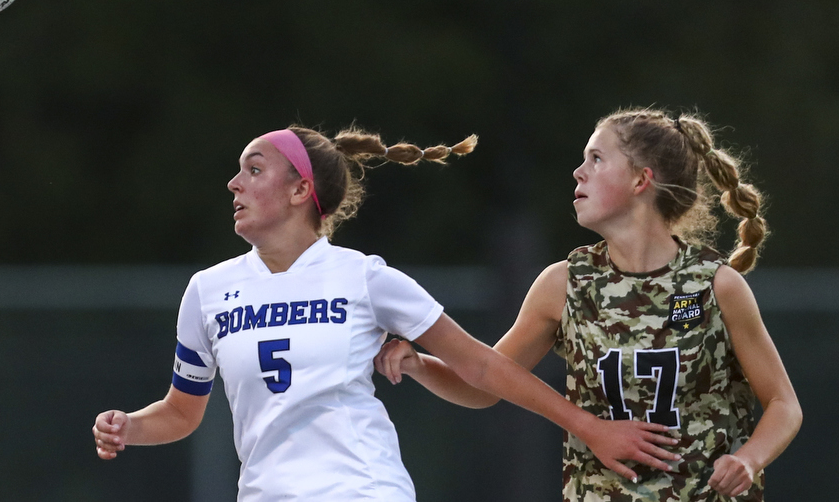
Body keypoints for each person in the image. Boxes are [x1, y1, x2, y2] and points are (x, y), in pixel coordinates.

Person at [92, 124, 677, 502]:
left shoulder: (363, 277)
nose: (232, 183)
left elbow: (480, 367)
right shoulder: (208, 291)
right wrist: (132, 427)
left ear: (301, 192)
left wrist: (590, 428)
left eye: (253, 169)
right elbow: (182, 412)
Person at [374, 108, 802, 501]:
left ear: (641, 180)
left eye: (596, 159)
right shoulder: (564, 283)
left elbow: (784, 405)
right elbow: (484, 384)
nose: (579, 172)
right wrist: (418, 365)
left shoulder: (716, 285)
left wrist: (749, 458)